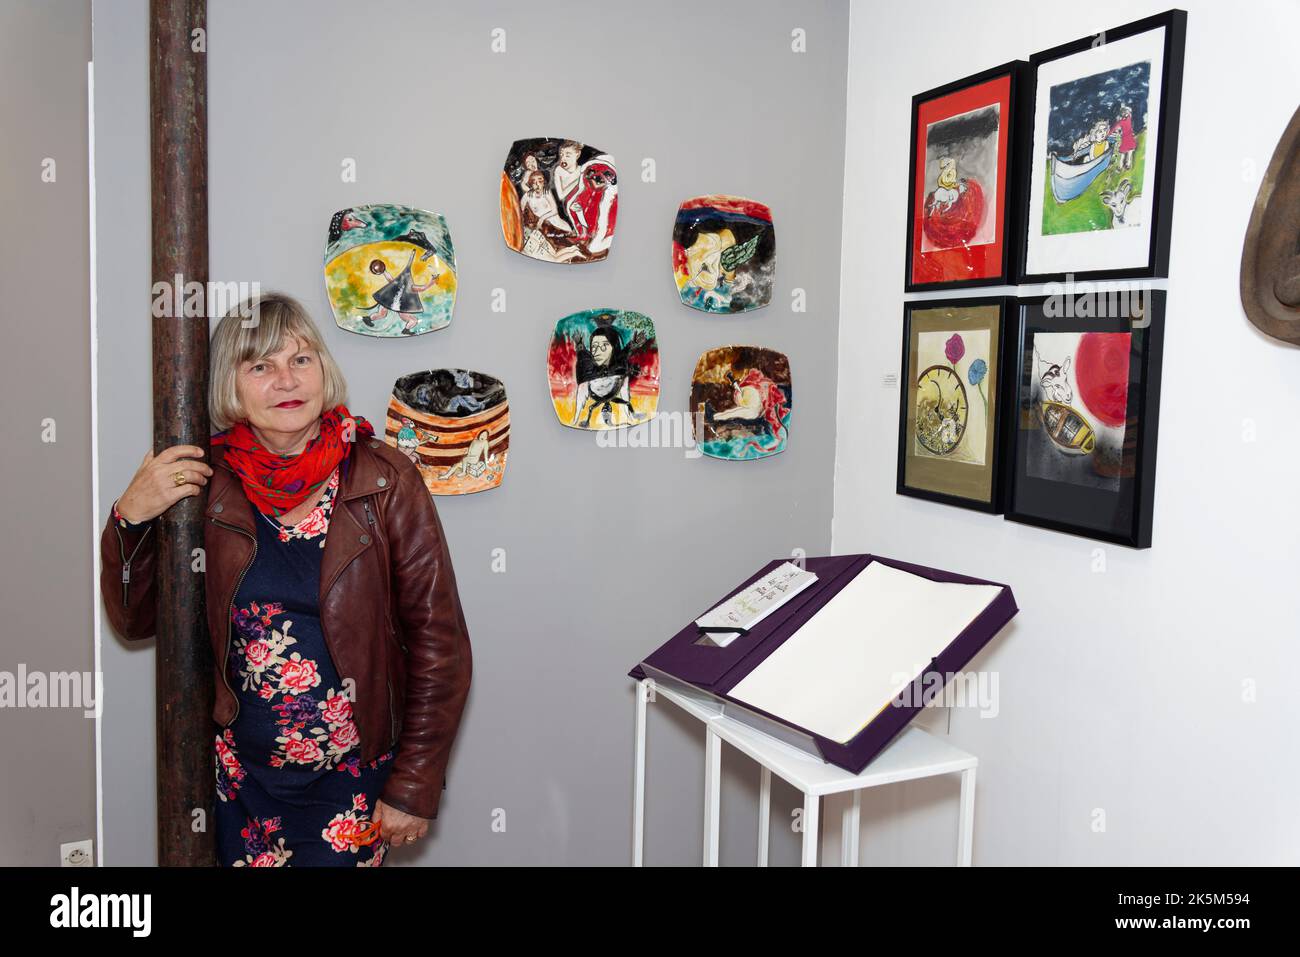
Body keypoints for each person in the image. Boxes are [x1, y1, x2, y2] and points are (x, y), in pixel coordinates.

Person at [99, 291, 472, 866]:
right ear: (232, 384)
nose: (286, 380)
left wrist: (414, 785)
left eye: (301, 359)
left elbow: (438, 643)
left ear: (324, 369)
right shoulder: (203, 482)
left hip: (352, 783)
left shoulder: (385, 478)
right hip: (238, 782)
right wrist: (131, 518)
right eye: (261, 366)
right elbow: (137, 620)